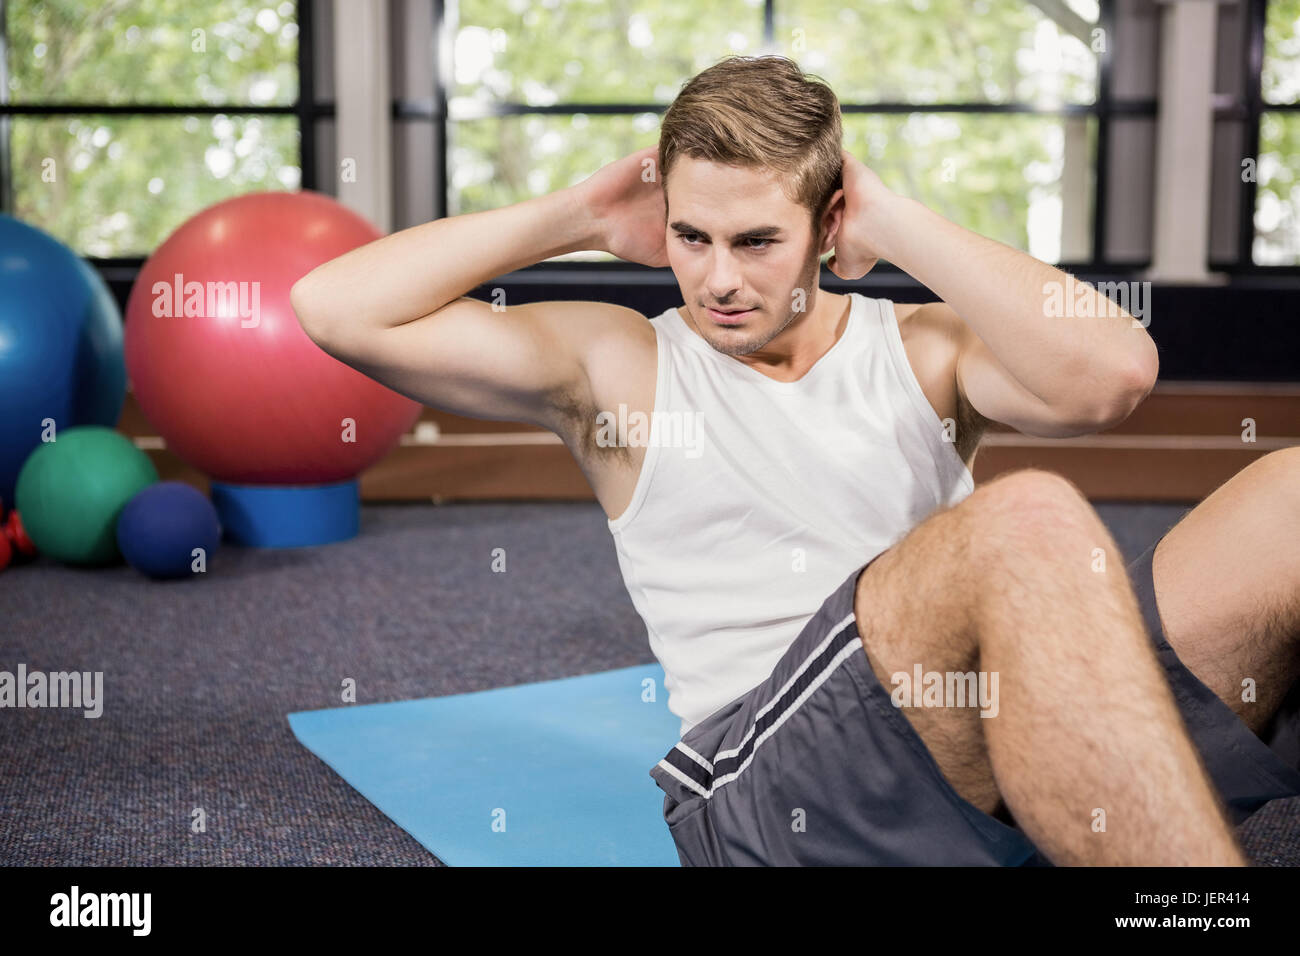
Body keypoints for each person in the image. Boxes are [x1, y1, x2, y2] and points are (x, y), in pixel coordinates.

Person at [289, 55, 1300, 866]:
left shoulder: (919, 347)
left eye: (757, 239)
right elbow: (333, 309)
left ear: (826, 225)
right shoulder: (619, 368)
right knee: (1025, 521)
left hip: (991, 730)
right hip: (763, 786)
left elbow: (1115, 372)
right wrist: (577, 218)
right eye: (691, 236)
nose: (717, 278)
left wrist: (893, 221)